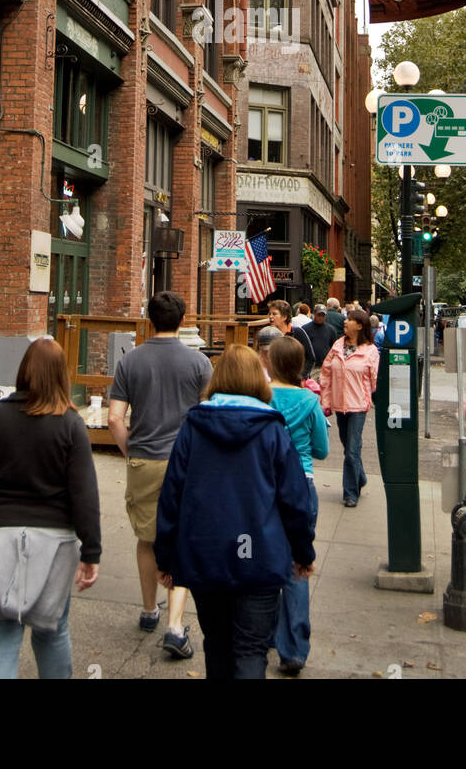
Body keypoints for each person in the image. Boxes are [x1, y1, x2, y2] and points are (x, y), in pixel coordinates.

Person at [154, 343, 315, 680]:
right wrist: (302, 553)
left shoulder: (194, 427)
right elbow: (295, 500)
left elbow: (171, 497)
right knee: (251, 650)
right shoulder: (272, 429)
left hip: (205, 553)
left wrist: (166, 557)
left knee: (217, 645)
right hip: (260, 556)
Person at [0, 337, 101, 679]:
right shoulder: (70, 425)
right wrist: (91, 552)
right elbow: (84, 493)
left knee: (3, 629)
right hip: (54, 539)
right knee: (52, 628)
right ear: (61, 375)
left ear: (24, 370)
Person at [108, 290, 212, 659]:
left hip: (145, 460)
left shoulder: (130, 361)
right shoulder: (199, 363)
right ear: (182, 320)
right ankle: (174, 623)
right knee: (183, 537)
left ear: (150, 319)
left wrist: (129, 450)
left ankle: (149, 609)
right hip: (186, 461)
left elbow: (115, 419)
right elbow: (208, 416)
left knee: (146, 538)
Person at [268, 335, 328, 675]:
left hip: (266, 484)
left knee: (262, 560)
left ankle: (261, 635)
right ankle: (293, 649)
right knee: (296, 565)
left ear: (271, 363)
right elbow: (321, 449)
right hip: (302, 483)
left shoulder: (262, 398)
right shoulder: (308, 400)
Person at [320, 308, 379, 507]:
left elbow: (375, 380)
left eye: (350, 320)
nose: (345, 322)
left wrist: (373, 398)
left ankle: (350, 493)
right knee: (348, 447)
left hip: (358, 406)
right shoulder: (338, 345)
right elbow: (326, 373)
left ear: (360, 326)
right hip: (339, 405)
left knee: (352, 450)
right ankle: (360, 477)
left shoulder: (370, 350)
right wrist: (326, 401)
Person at [267, 299, 315, 377]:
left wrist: (300, 377)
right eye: (269, 314)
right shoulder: (268, 334)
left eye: (274, 314)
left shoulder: (298, 333)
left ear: (284, 317)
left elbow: (310, 358)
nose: (270, 317)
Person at [301, 304, 336, 370]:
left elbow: (333, 347)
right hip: (310, 366)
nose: (321, 317)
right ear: (314, 314)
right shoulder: (305, 328)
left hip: (326, 365)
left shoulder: (331, 329)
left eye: (323, 315)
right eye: (319, 315)